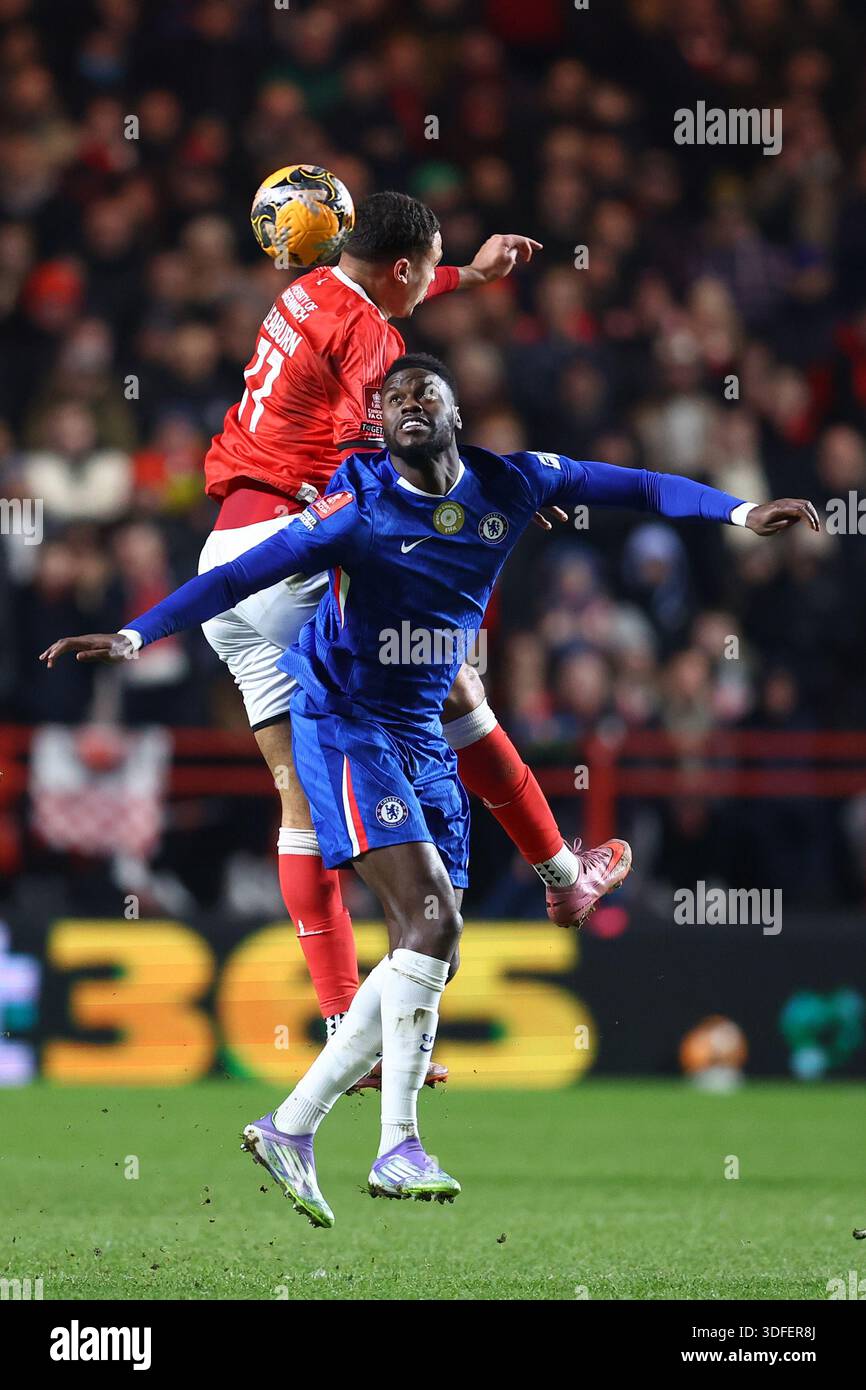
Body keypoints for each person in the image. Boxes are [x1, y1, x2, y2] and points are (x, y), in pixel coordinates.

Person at [41, 355, 819, 1224]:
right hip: (346, 725)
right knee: (433, 923)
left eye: (423, 393)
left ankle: (295, 1126)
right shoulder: (356, 506)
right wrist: (137, 634)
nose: (407, 403)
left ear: (456, 410)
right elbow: (236, 579)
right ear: (381, 422)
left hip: (419, 732)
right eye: (392, 397)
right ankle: (395, 1143)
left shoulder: (514, 482)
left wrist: (742, 510)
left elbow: (637, 486)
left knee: (430, 946)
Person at [193, 189, 593, 1077]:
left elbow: (380, 291)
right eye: (435, 262)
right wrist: (501, 491)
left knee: (298, 799)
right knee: (451, 682)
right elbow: (390, 442)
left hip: (225, 561)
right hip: (289, 552)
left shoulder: (304, 293)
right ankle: (561, 875)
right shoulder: (379, 339)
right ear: (402, 268)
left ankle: (344, 1024)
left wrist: (469, 273)